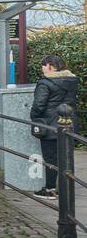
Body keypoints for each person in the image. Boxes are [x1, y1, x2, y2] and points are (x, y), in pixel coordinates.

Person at [30, 55, 79, 199]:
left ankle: (50, 189)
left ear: (50, 66)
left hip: (50, 125)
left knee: (50, 158)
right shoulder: (71, 80)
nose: (42, 68)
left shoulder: (45, 82)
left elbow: (39, 105)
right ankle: (66, 189)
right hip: (68, 123)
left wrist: (34, 117)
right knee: (65, 156)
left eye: (44, 65)